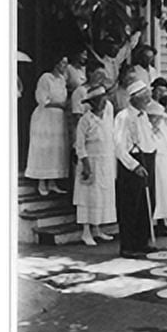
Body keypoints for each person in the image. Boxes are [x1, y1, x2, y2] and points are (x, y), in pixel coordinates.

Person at [113, 81, 157, 257]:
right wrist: (134, 165)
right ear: (136, 98)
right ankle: (128, 246)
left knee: (147, 203)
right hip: (133, 162)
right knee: (131, 204)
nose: (149, 99)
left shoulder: (144, 115)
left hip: (147, 158)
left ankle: (142, 241)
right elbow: (118, 146)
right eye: (146, 96)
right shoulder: (123, 117)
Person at [73, 85, 116, 246]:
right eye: (99, 101)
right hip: (90, 162)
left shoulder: (107, 117)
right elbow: (80, 145)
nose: (102, 103)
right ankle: (86, 232)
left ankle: (97, 229)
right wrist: (86, 165)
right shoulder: (85, 120)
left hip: (105, 161)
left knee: (101, 197)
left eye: (104, 100)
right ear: (92, 103)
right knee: (88, 197)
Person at [25, 57, 70, 196]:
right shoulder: (46, 78)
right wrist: (60, 105)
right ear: (55, 63)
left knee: (55, 150)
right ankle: (42, 182)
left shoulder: (62, 79)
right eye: (62, 63)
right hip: (46, 117)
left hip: (58, 119)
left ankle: (52, 182)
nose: (64, 66)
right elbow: (42, 100)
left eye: (66, 63)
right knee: (44, 148)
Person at [147, 100, 167, 237]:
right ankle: (150, 225)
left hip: (165, 164)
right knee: (156, 194)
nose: (158, 121)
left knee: (166, 195)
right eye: (156, 118)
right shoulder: (147, 131)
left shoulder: (162, 131)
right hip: (155, 164)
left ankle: (163, 223)